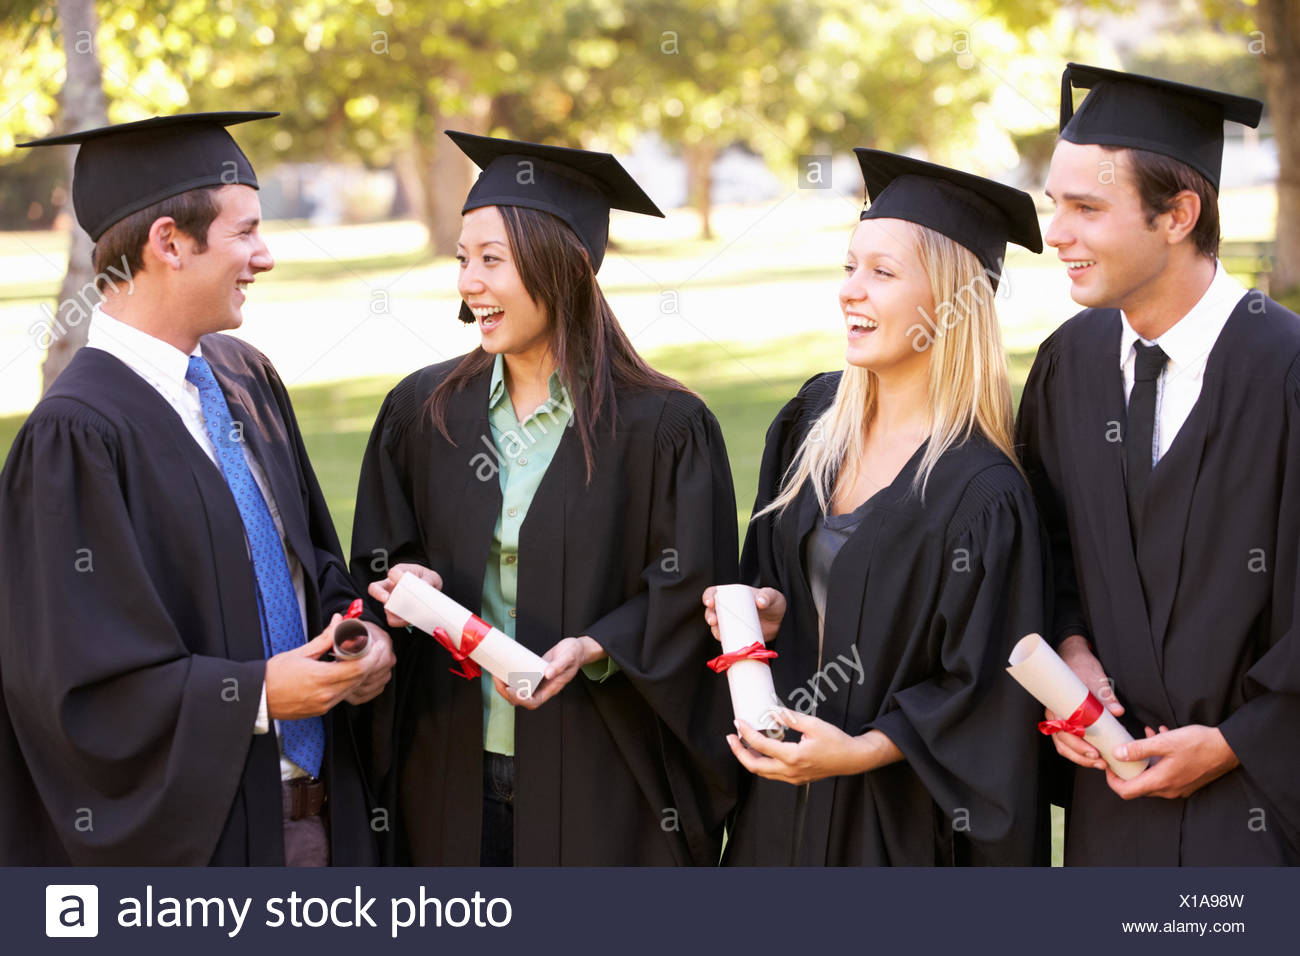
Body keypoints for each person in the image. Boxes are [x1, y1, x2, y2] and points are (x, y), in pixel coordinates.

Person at [0, 112, 394, 866]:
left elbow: (312, 558)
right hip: (203, 847)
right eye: (245, 233)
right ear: (170, 244)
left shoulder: (245, 379)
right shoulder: (76, 437)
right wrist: (250, 698)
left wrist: (359, 633)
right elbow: (74, 685)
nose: (266, 257)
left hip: (323, 826)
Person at [351, 132, 739, 866]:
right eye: (463, 258)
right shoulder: (423, 412)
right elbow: (381, 552)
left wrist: (597, 645)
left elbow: (692, 593)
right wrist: (405, 580)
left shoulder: (665, 429)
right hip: (446, 773)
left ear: (561, 265)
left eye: (491, 259)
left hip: (603, 782)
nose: (469, 281)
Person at [704, 150, 1050, 865]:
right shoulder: (812, 422)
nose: (850, 292)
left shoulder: (983, 495)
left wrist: (861, 750)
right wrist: (769, 608)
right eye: (849, 267)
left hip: (894, 831)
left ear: (952, 303)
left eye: (882, 274)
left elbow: (986, 693)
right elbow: (777, 580)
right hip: (778, 808)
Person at [1019, 63, 1300, 865]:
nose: (1056, 235)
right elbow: (1044, 546)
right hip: (1113, 805)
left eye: (1086, 209)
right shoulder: (1068, 364)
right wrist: (1069, 652)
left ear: (1179, 214)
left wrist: (1240, 741)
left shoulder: (1286, 373)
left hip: (1259, 815)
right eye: (1054, 207)